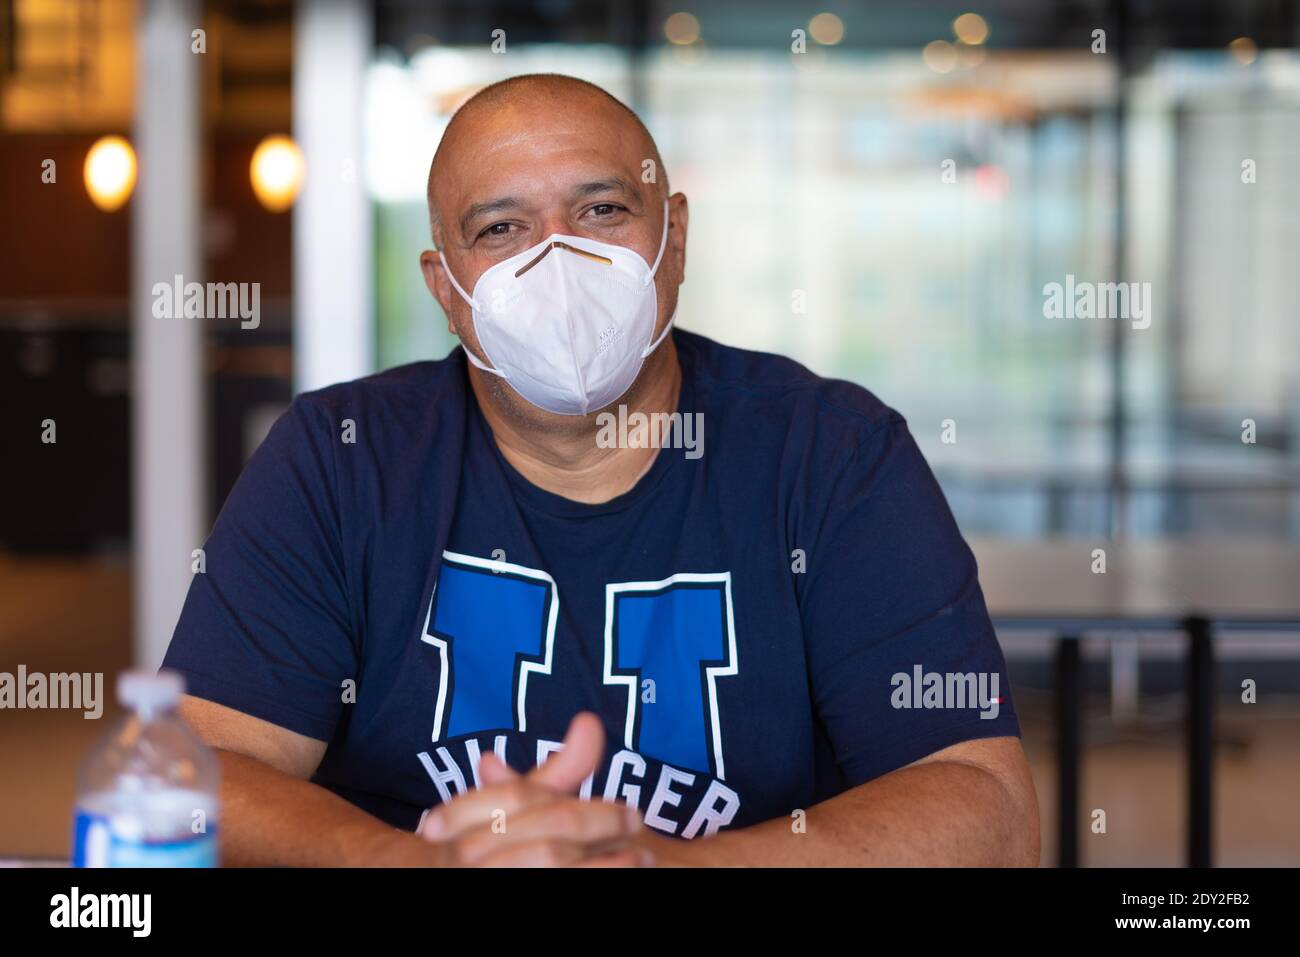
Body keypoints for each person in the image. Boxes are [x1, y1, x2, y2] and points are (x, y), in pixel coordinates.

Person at [164, 74, 1040, 867]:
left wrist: (668, 869)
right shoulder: (338, 460)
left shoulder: (831, 455)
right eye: (501, 228)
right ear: (446, 287)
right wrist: (412, 866)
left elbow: (988, 807)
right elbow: (194, 772)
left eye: (601, 211)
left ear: (674, 238)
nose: (558, 259)